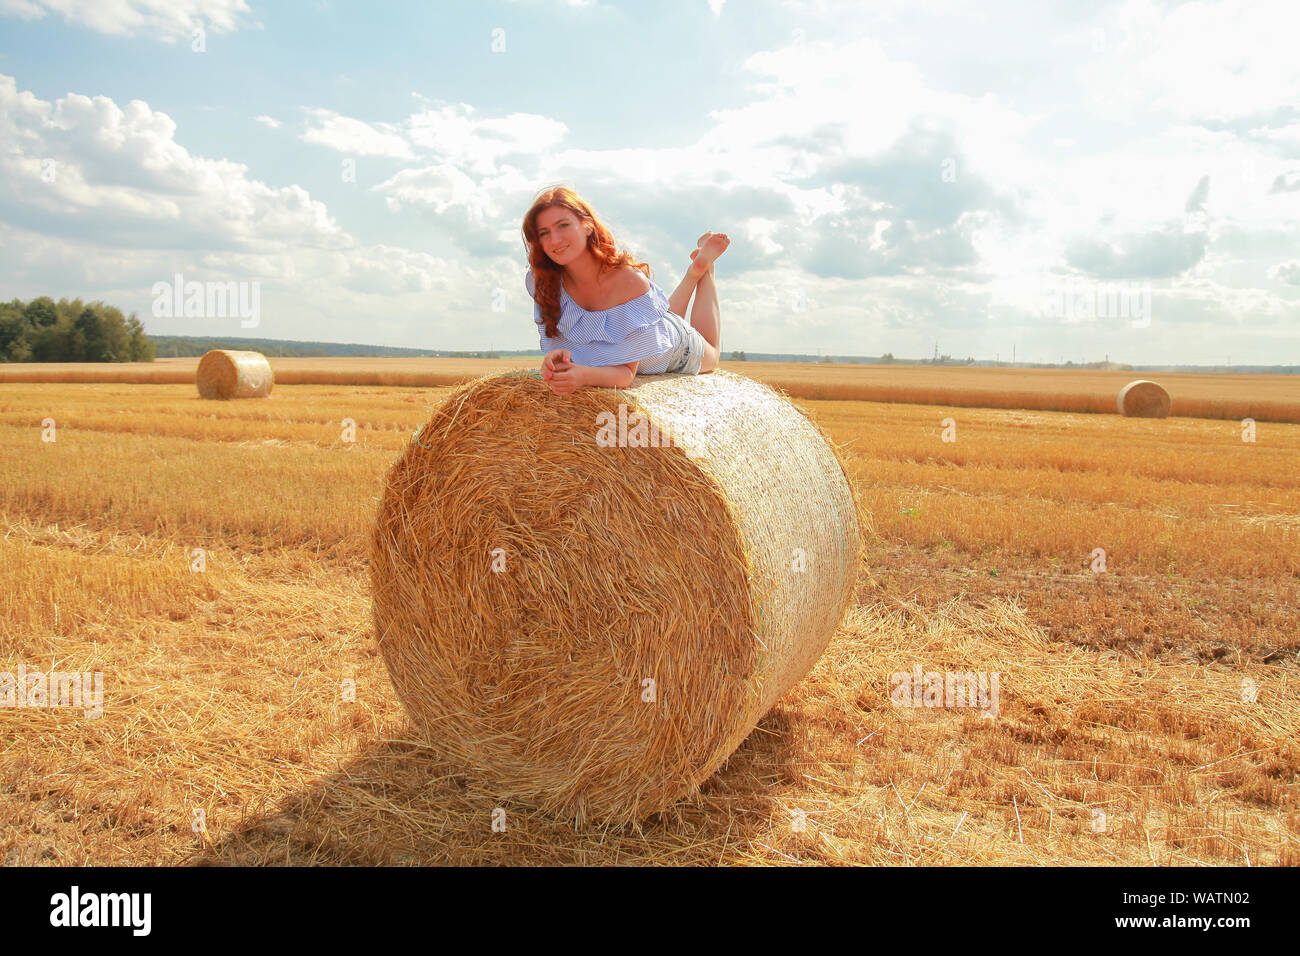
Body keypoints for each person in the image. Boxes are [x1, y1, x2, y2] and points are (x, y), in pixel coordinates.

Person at [521, 186, 729, 395]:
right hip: (651, 329)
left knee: (713, 353)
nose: (555, 240)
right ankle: (693, 273)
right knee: (666, 318)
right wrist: (557, 360)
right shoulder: (545, 281)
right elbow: (574, 349)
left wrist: (582, 376)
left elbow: (625, 374)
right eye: (544, 233)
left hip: (677, 349)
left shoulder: (628, 281)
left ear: (587, 226)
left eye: (563, 225)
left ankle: (705, 270)